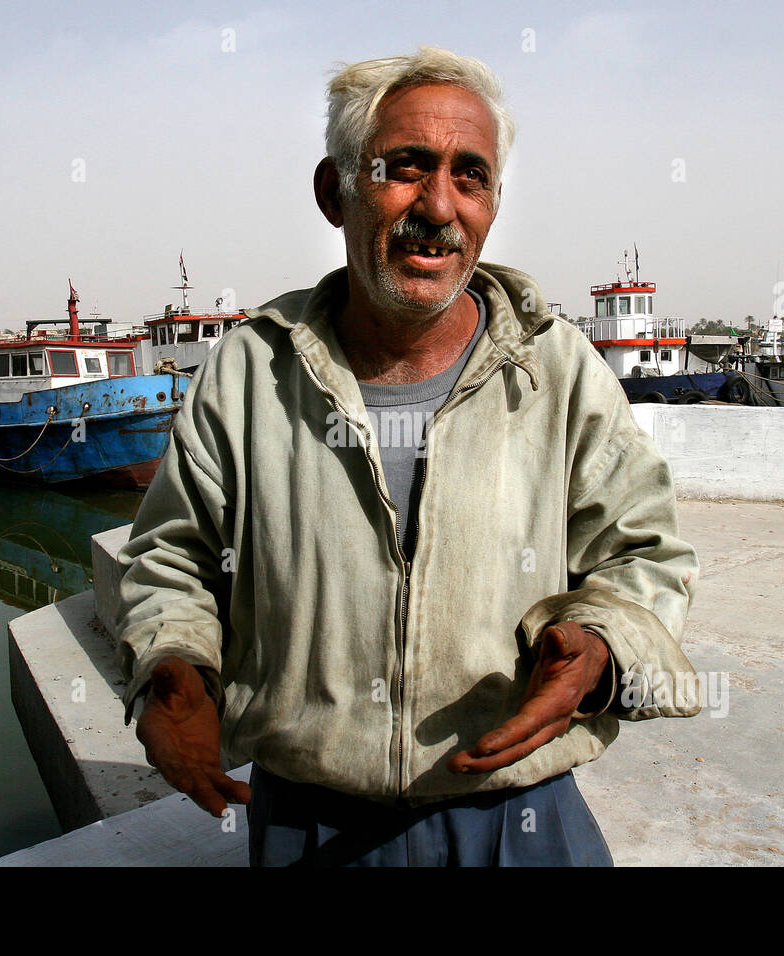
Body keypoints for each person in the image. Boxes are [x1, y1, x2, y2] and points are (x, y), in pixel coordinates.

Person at [116, 46, 702, 867]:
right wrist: (172, 665)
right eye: (405, 168)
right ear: (336, 191)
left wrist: (601, 646)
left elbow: (648, 552)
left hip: (519, 814)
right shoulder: (252, 371)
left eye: (471, 176)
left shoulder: (557, 368)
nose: (438, 205)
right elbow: (173, 556)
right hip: (306, 823)